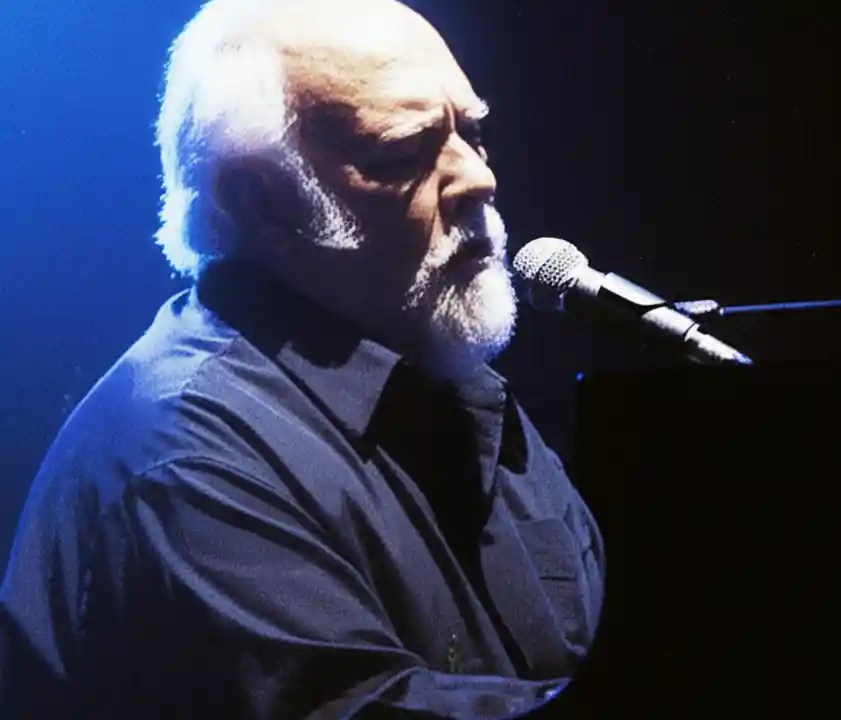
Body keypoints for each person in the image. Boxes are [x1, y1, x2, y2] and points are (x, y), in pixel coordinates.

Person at [0, 0, 604, 717]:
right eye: (401, 153)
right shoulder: (180, 456)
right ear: (257, 198)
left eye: (472, 132)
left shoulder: (452, 385)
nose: (477, 178)